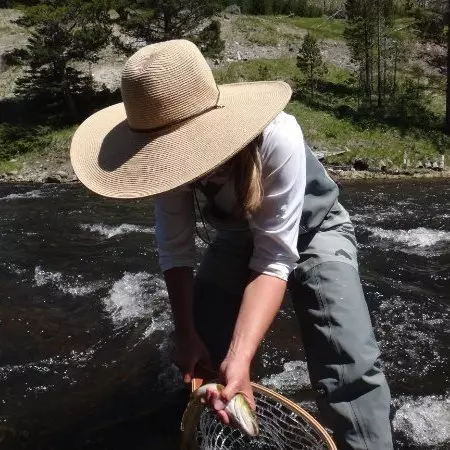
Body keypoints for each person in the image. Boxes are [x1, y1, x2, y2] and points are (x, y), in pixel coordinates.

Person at [70, 39, 393, 449]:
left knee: (348, 358)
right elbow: (176, 251)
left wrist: (240, 357)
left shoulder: (279, 135)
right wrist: (186, 334)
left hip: (316, 229)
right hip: (237, 237)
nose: (175, 163)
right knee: (201, 341)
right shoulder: (165, 161)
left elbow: (275, 258)